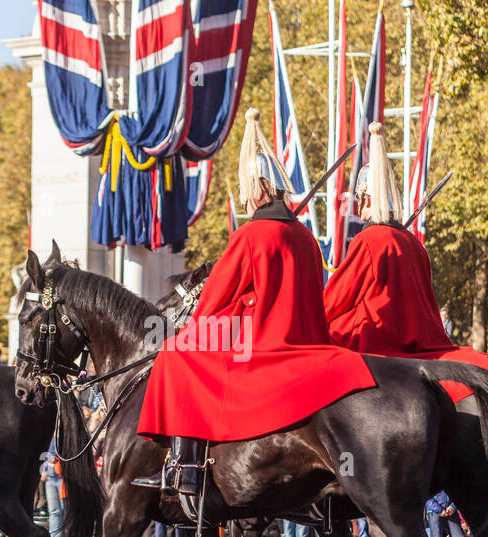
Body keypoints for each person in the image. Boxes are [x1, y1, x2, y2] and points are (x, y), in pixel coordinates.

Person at [135, 109, 375, 495]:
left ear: (261, 189)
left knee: (174, 354)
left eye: (247, 189)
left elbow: (212, 303)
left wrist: (196, 326)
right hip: (306, 339)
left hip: (261, 344)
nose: (246, 197)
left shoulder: (252, 235)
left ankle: (186, 467)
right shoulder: (307, 238)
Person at [321, 122, 488, 398]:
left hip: (379, 343)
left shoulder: (368, 241)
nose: (359, 208)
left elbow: (335, 300)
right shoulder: (414, 244)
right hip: (421, 340)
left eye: (360, 200)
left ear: (367, 198)